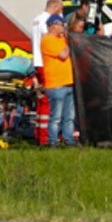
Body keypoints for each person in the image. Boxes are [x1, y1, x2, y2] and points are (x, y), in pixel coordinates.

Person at [40, 14, 76, 147]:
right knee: (56, 117)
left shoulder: (62, 39)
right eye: (62, 25)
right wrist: (69, 41)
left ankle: (69, 139)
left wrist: (66, 40)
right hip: (56, 84)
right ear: (53, 26)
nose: (63, 28)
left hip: (68, 82)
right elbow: (63, 55)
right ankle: (53, 140)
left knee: (69, 117)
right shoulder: (47, 40)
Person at [31, 0, 62, 78]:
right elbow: (48, 38)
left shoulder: (36, 19)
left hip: (37, 61)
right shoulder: (48, 20)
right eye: (60, 9)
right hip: (45, 61)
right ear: (55, 7)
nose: (60, 12)